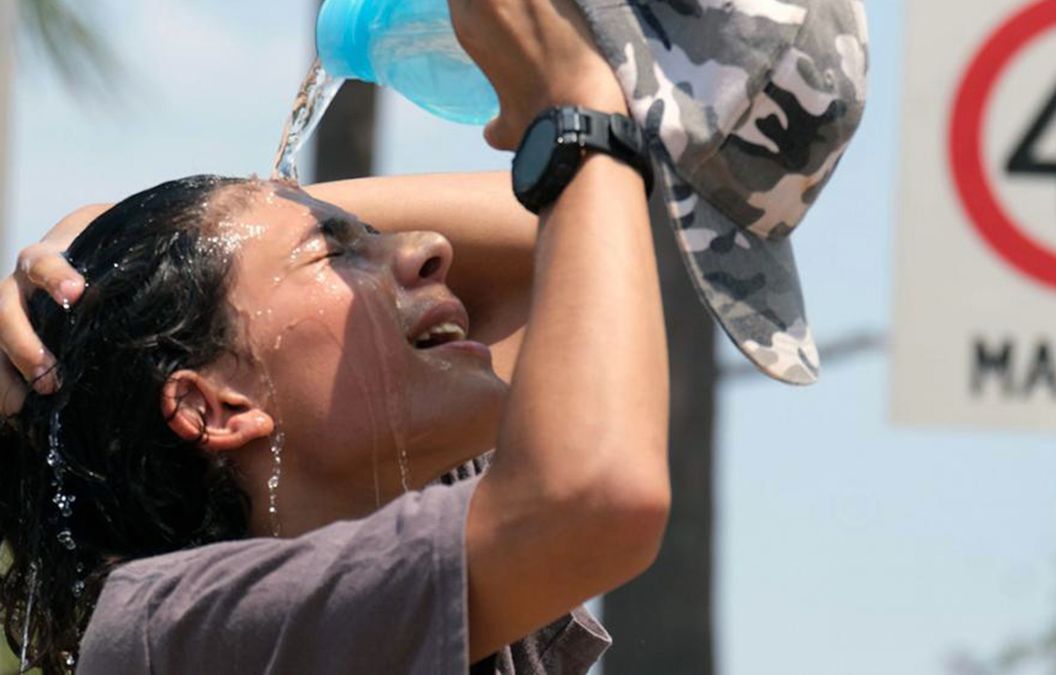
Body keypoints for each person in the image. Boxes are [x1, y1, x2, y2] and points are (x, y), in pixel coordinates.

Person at [0, 0, 669, 673]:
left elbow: (564, 234)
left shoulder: (417, 509)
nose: (433, 248)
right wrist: (580, 110)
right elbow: (597, 495)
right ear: (212, 405)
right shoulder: (168, 634)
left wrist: (149, 218)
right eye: (335, 253)